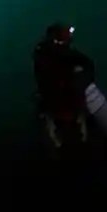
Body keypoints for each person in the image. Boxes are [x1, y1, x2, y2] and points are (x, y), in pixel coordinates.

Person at [33, 23, 95, 151]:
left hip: (61, 106)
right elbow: (85, 64)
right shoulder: (56, 55)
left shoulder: (44, 53)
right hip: (60, 105)